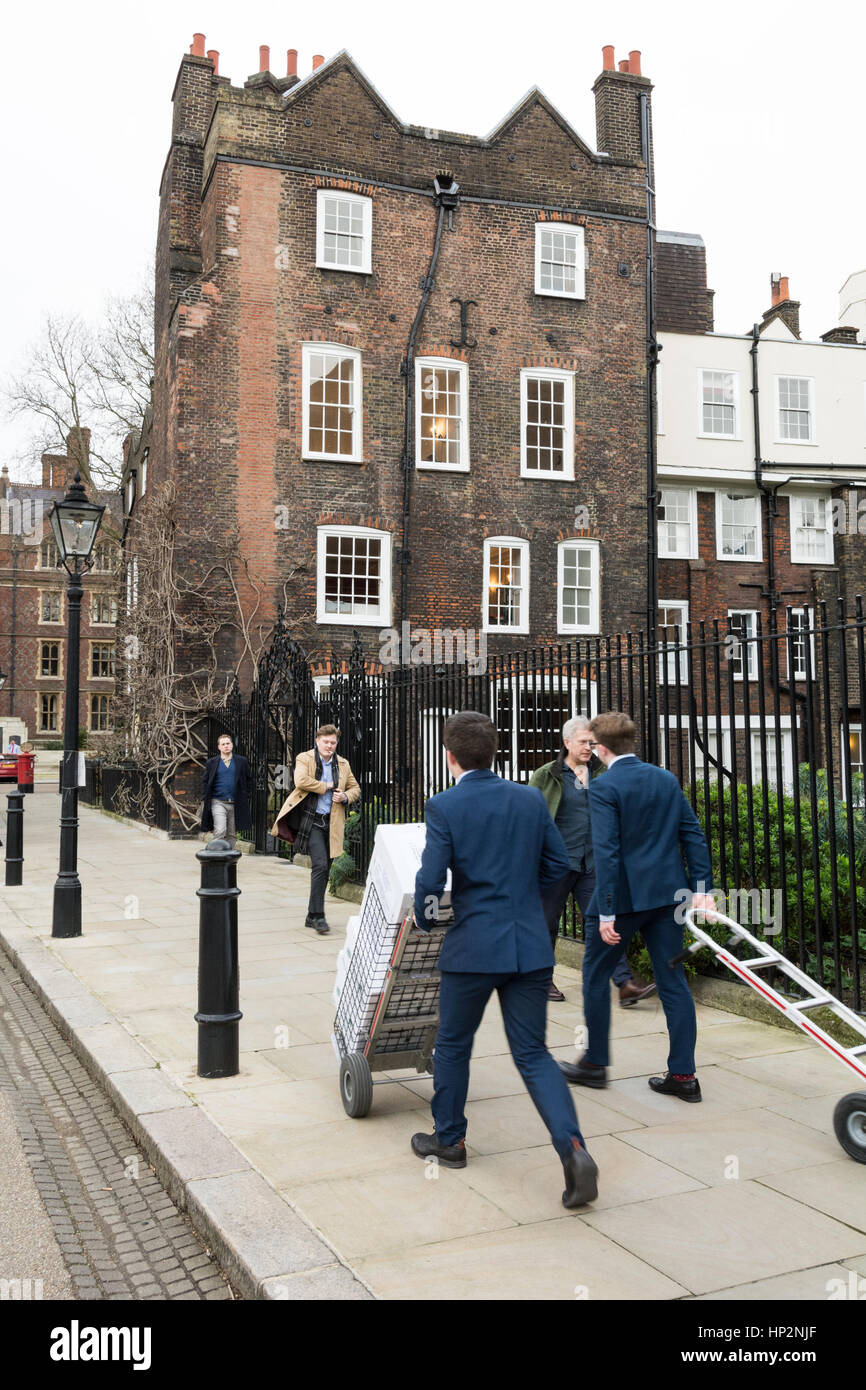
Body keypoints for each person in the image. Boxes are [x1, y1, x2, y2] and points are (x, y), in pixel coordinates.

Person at [412, 710, 598, 1209]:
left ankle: (449, 1141)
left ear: (450, 756)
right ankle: (573, 1147)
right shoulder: (529, 798)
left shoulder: (444, 806)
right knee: (533, 1054)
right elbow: (558, 864)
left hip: (473, 947)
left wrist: (430, 921)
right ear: (492, 753)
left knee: (452, 1045)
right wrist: (523, 907)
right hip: (530, 947)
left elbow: (430, 884)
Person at [559, 711, 715, 1102]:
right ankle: (683, 1076)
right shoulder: (665, 778)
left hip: (623, 902)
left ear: (601, 748)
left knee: (595, 977)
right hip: (667, 899)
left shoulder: (605, 786)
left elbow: (608, 854)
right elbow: (692, 835)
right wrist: (702, 888)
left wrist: (607, 910)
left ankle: (594, 1064)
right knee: (673, 983)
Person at [530, 715, 657, 1007]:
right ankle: (541, 979)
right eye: (584, 742)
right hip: (556, 864)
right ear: (567, 743)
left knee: (604, 922)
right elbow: (530, 818)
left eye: (593, 742)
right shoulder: (547, 775)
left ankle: (624, 984)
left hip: (591, 864)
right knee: (546, 923)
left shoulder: (602, 774)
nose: (589, 747)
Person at [271, 724, 360, 935]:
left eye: (333, 742)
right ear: (317, 741)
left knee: (325, 868)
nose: (329, 746)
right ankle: (319, 916)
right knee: (320, 865)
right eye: (326, 742)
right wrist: (327, 787)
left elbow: (355, 787)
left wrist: (345, 796)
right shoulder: (305, 758)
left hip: (332, 823)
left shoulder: (343, 764)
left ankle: (311, 915)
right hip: (310, 822)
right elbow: (300, 780)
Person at [200, 734, 253, 851]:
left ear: (232, 745)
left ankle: (228, 859)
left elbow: (249, 779)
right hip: (218, 802)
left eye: (228, 743)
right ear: (219, 747)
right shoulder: (212, 763)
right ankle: (214, 856)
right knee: (220, 830)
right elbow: (205, 781)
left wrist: (246, 794)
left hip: (236, 803)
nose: (226, 746)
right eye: (223, 744)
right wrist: (205, 798)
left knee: (232, 834)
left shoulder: (241, 761)